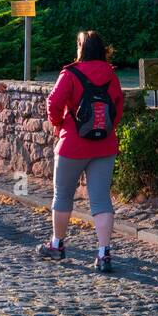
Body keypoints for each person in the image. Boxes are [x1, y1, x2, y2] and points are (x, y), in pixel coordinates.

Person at [36, 29, 124, 273]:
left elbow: (53, 102)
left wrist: (58, 124)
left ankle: (57, 245)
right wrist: (105, 130)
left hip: (72, 144)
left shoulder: (71, 73)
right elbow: (117, 107)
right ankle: (104, 254)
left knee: (63, 195)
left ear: (80, 48)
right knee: (101, 199)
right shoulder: (111, 75)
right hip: (104, 146)